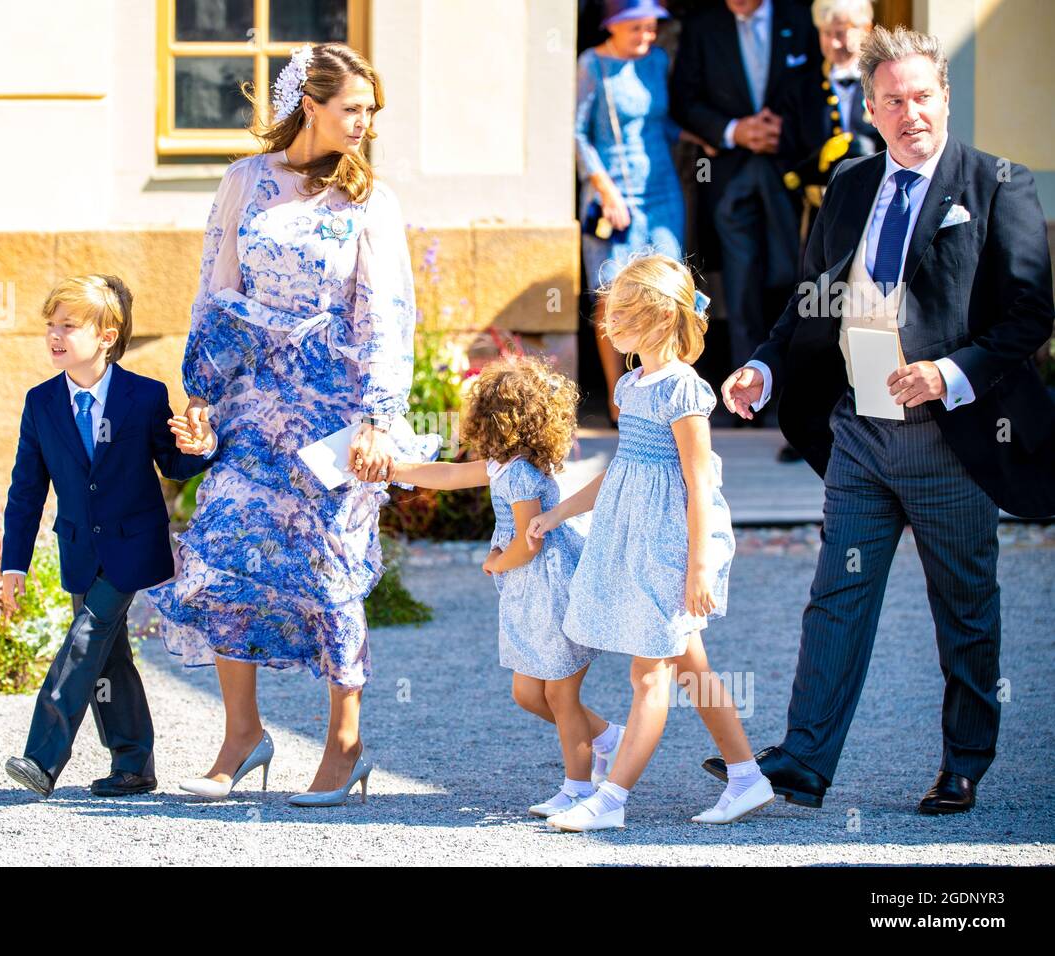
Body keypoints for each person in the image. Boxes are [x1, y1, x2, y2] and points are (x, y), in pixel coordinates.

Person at [716, 26, 1055, 815]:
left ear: (945, 96)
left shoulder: (998, 184)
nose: (912, 115)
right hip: (860, 436)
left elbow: (1030, 314)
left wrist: (949, 373)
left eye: (924, 97)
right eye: (894, 101)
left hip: (953, 441)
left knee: (964, 611)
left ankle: (964, 762)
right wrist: (764, 367)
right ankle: (803, 761)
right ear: (871, 109)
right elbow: (812, 299)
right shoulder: (849, 185)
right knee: (837, 596)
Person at [147, 44, 438, 808]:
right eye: (353, 109)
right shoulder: (245, 181)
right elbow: (215, 286)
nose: (365, 124)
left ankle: (344, 747)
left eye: (372, 111)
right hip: (252, 402)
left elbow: (389, 316)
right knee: (221, 550)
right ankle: (243, 737)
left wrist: (378, 418)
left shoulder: (372, 199)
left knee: (330, 567)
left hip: (335, 410)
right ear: (309, 105)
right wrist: (203, 389)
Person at [529, 254, 773, 831]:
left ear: (656, 319)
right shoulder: (633, 384)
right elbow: (623, 469)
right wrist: (558, 512)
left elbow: (700, 481)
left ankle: (611, 800)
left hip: (674, 545)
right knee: (691, 667)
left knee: (650, 674)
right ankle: (747, 778)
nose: (608, 327)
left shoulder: (684, 390)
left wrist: (699, 567)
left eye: (619, 316)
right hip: (638, 540)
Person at [0, 275, 218, 798]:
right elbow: (26, 491)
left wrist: (202, 444)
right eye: (51, 325)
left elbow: (174, 464)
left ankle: (41, 758)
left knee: (86, 638)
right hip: (79, 547)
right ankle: (134, 763)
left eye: (68, 326)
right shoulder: (41, 403)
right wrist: (15, 563)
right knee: (109, 655)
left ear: (106, 334)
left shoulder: (144, 396)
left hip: (133, 545)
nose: (55, 335)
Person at [386, 357, 625, 817]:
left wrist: (497, 563)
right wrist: (397, 469)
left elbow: (529, 542)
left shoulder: (518, 474)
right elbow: (451, 476)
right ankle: (610, 739)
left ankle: (577, 786)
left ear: (491, 419)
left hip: (550, 589)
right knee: (527, 693)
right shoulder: (504, 465)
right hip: (531, 593)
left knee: (558, 693)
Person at [670, 0, 819, 376]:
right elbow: (684, 101)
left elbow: (818, 86)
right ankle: (747, 385)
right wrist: (735, 130)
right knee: (740, 280)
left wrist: (784, 133)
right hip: (729, 171)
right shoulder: (702, 24)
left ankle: (791, 382)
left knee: (793, 274)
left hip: (789, 172)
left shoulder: (801, 17)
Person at [576, 0, 688, 421]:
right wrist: (604, 189)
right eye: (637, 28)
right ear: (613, 27)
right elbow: (578, 133)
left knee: (669, 292)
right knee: (612, 297)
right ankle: (618, 400)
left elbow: (663, 122)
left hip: (661, 189)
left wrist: (711, 137)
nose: (648, 37)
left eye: (652, 27)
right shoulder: (593, 64)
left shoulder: (657, 61)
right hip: (614, 197)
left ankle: (665, 394)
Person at [779, 0, 884, 246]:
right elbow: (788, 156)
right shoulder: (801, 89)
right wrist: (809, 188)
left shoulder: (884, 83)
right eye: (826, 34)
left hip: (877, 210)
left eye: (841, 33)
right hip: (822, 218)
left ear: (866, 30)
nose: (834, 43)